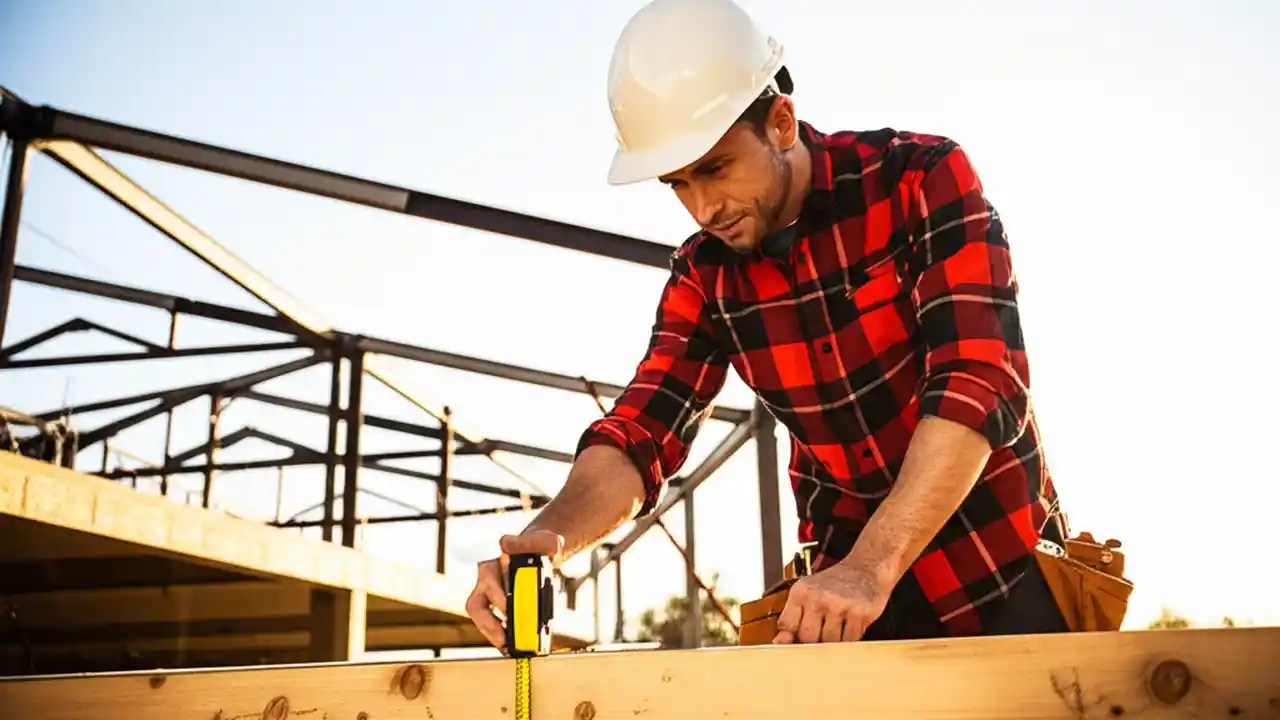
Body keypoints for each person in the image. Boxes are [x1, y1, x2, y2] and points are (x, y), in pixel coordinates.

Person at [466, 0, 1070, 650]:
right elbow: (644, 430)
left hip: (1002, 574)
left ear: (781, 122)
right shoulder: (705, 276)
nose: (704, 207)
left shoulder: (919, 181)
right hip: (840, 604)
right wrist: (548, 537)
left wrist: (872, 568)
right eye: (678, 184)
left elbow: (978, 381)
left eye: (715, 169)